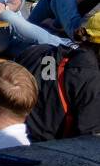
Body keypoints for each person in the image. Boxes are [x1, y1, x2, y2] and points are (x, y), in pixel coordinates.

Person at [16, 12, 100, 141]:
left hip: (5, 136)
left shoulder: (38, 51)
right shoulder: (93, 80)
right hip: (46, 153)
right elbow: (89, 141)